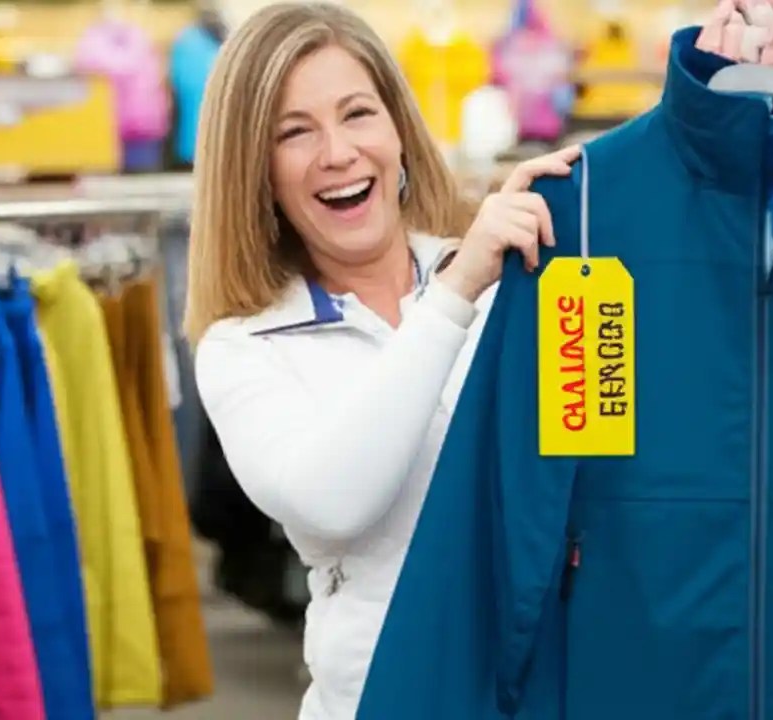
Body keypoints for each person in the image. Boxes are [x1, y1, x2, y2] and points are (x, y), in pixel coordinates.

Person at [183, 2, 581, 718]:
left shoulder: (523, 281)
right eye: (293, 132)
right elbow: (333, 502)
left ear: (399, 127)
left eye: (357, 113)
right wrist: (457, 291)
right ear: (255, 172)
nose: (338, 152)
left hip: (556, 687)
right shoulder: (241, 346)